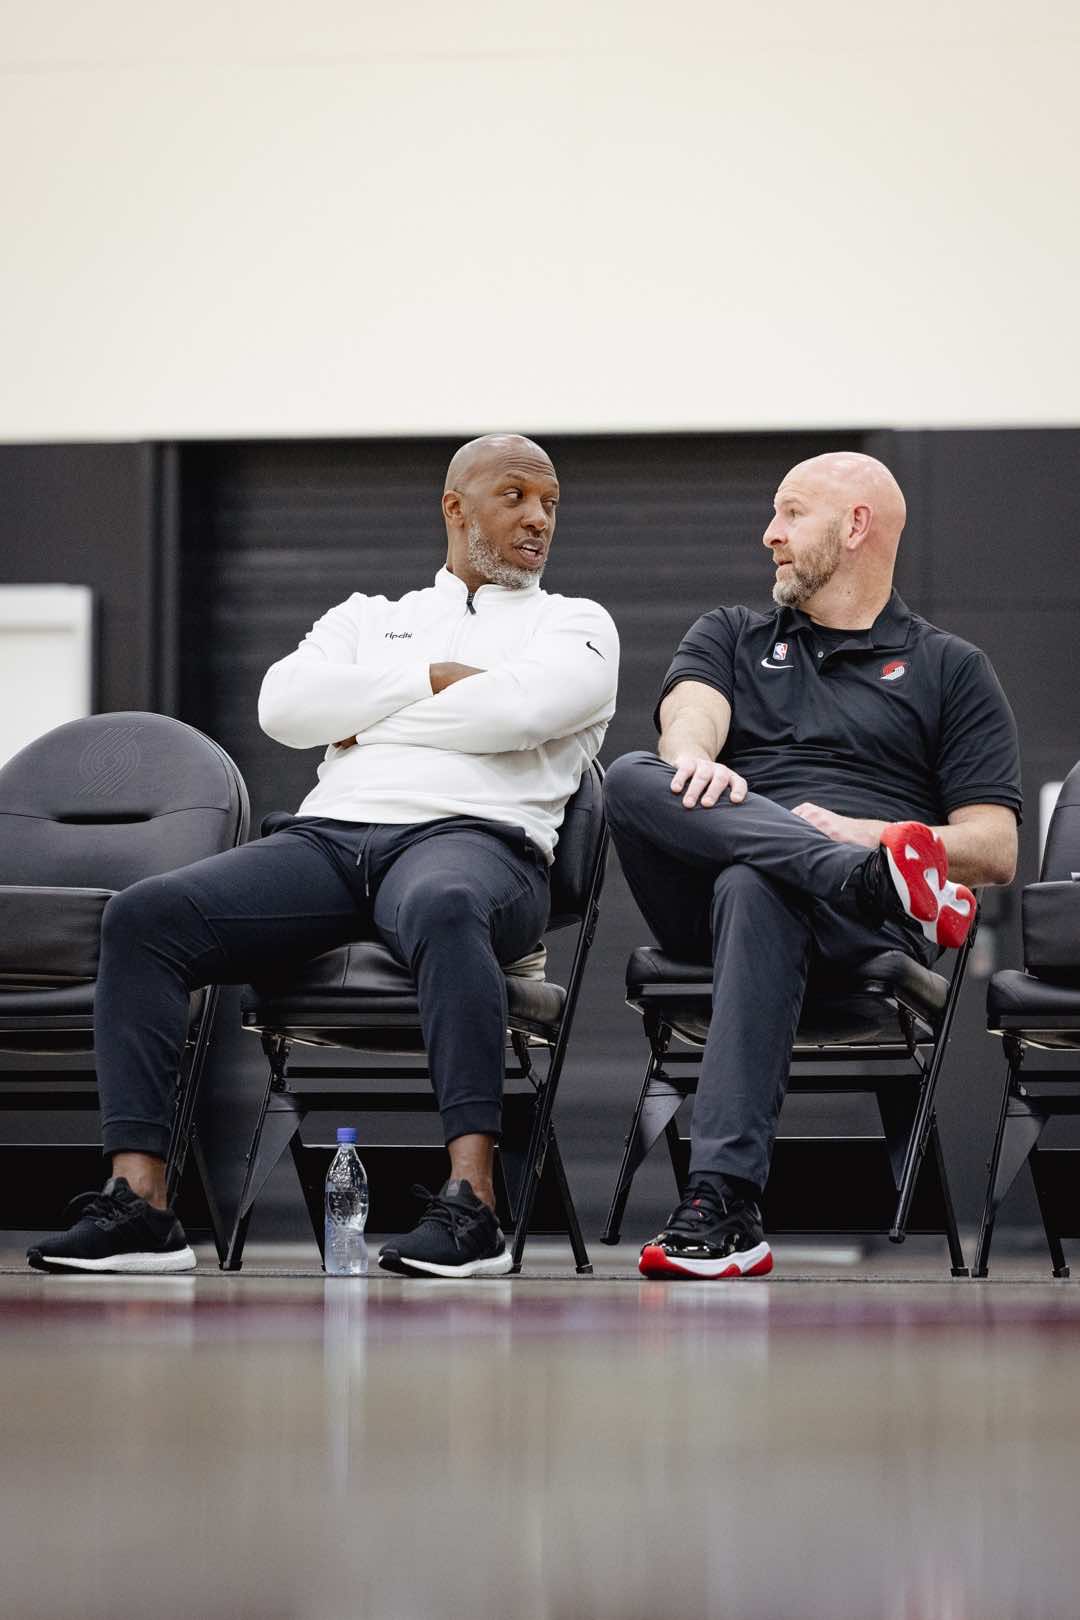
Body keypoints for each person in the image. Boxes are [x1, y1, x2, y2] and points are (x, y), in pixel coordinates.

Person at [28, 434, 618, 1279]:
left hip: (476, 845)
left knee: (450, 903)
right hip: (331, 839)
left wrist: (365, 714)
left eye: (550, 503)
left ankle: (473, 1206)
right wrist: (432, 677)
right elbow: (285, 709)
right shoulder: (365, 615)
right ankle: (142, 1207)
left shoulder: (576, 624)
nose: (538, 519)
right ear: (456, 508)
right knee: (145, 917)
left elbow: (517, 718)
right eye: (516, 496)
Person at [603, 451, 1020, 1281]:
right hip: (728, 895)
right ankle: (843, 870)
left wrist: (872, 833)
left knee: (760, 882)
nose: (770, 534)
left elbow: (996, 848)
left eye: (791, 513)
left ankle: (723, 1205)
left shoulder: (950, 669)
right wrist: (698, 760)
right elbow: (689, 717)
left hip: (857, 928)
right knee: (632, 777)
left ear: (855, 526)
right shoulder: (729, 634)